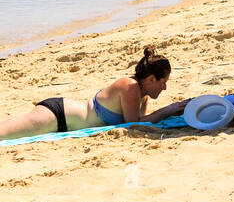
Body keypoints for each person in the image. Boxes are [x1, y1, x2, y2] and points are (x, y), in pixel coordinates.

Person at [0, 47, 188, 143]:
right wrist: (167, 110)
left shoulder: (142, 94)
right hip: (57, 116)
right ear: (151, 79)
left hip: (61, 119)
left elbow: (141, 120)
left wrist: (171, 111)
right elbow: (131, 125)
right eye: (163, 83)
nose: (164, 89)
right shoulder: (130, 86)